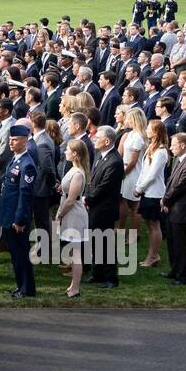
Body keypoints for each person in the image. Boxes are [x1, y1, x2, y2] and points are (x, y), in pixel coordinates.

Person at [0, 123, 37, 297]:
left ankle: (26, 288)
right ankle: (20, 286)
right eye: (10, 139)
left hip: (17, 217)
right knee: (15, 255)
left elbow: (25, 195)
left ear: (24, 141)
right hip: (9, 214)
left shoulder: (27, 164)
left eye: (15, 140)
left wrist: (19, 220)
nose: (11, 143)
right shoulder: (15, 160)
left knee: (21, 254)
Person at [161, 132, 186, 285]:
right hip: (174, 208)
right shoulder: (181, 160)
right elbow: (171, 182)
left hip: (182, 211)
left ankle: (184, 276)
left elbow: (179, 188)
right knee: (172, 242)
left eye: (173, 144)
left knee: (181, 244)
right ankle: (174, 270)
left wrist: (165, 200)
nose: (170, 147)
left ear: (183, 145)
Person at [86, 126, 124, 288]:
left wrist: (88, 198)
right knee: (96, 241)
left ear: (107, 141)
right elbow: (93, 179)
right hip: (96, 207)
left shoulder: (114, 161)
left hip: (105, 209)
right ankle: (98, 273)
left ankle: (110, 278)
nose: (94, 139)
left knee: (106, 243)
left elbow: (104, 186)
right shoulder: (100, 156)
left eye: (98, 137)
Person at [56, 138, 89, 298]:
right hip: (70, 213)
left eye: (68, 150)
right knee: (71, 251)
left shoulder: (78, 173)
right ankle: (72, 285)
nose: (65, 152)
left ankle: (75, 288)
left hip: (74, 215)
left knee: (76, 253)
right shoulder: (73, 169)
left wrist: (60, 213)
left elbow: (71, 199)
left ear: (75, 154)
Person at [134, 118, 169, 268]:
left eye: (149, 128)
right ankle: (153, 254)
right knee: (149, 224)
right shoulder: (151, 148)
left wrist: (139, 188)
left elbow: (152, 174)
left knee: (154, 226)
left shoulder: (161, 152)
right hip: (147, 192)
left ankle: (153, 255)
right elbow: (144, 170)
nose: (146, 130)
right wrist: (139, 186)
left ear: (155, 132)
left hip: (154, 193)